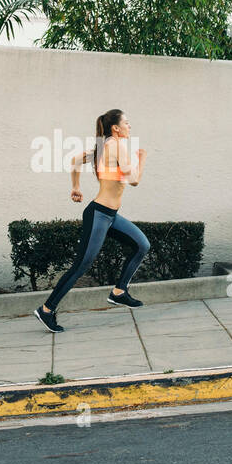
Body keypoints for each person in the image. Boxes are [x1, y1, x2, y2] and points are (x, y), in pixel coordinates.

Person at [34, 109, 150, 333]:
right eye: (126, 122)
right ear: (115, 128)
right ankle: (47, 310)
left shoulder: (103, 146)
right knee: (82, 265)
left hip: (110, 216)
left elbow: (75, 160)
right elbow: (134, 180)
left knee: (141, 245)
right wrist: (142, 159)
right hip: (99, 215)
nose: (129, 126)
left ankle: (119, 292)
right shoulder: (116, 145)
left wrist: (76, 187)